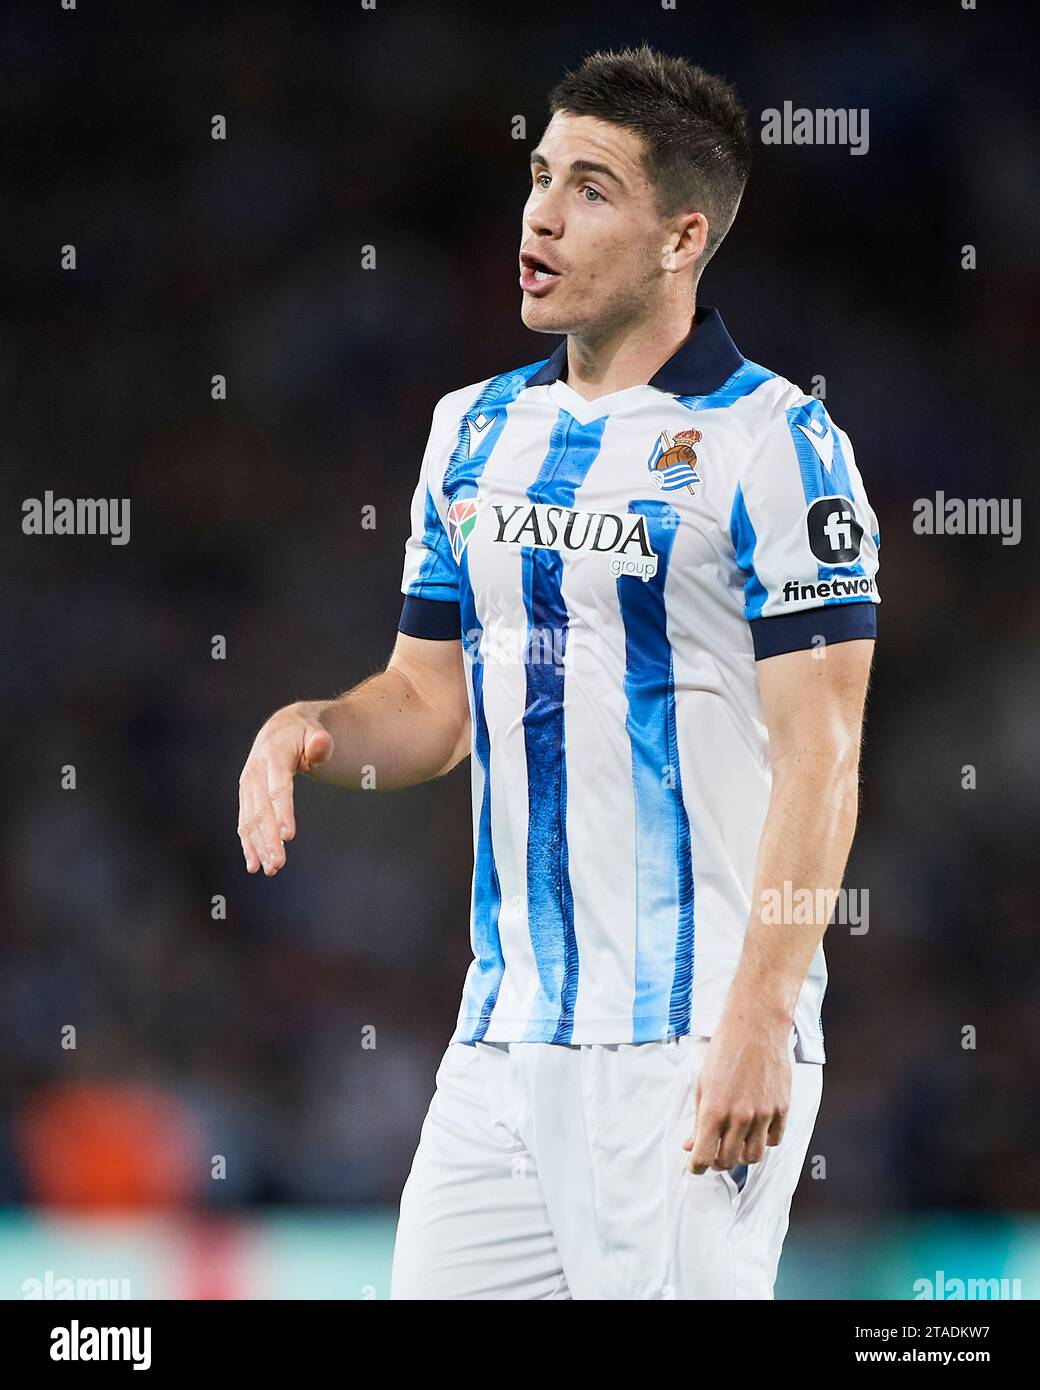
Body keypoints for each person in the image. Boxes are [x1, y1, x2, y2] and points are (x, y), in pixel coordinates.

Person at [237, 43, 879, 1299]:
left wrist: (758, 1018)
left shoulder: (777, 446)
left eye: (588, 187)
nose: (538, 211)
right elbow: (426, 703)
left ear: (680, 236)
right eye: (538, 174)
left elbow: (824, 753)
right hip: (504, 1040)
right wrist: (312, 723)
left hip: (688, 1035)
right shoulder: (471, 430)